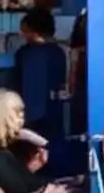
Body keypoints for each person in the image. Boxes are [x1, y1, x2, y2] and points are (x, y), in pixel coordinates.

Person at [12, 9, 67, 143]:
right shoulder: (59, 52)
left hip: (33, 118)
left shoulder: (27, 54)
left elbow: (29, 87)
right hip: (55, 113)